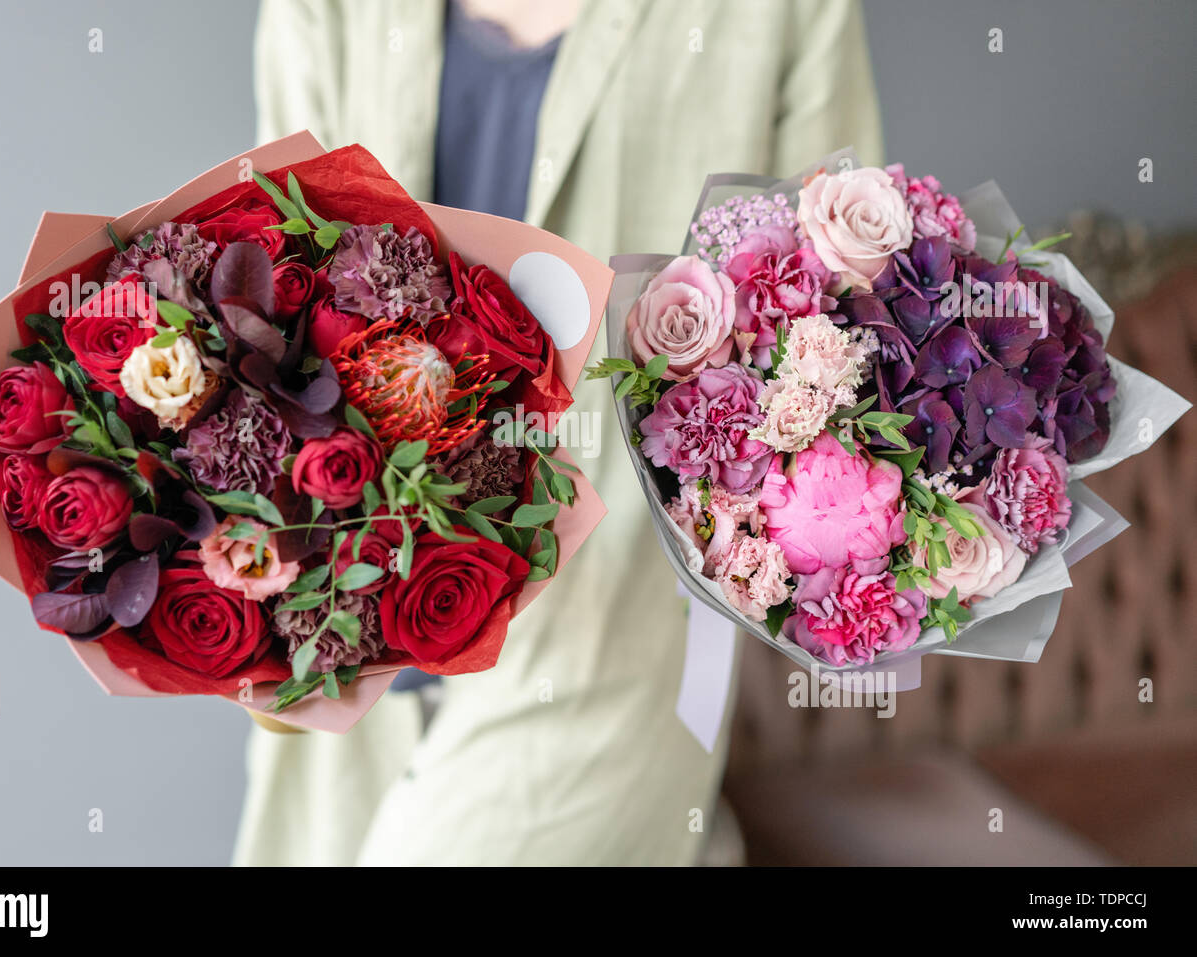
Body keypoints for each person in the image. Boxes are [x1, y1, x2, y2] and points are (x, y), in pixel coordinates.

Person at [234, 0, 884, 866]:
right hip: (347, 595)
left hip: (619, 610)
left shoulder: (781, 15)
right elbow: (270, 271)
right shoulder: (323, 13)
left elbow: (837, 307)